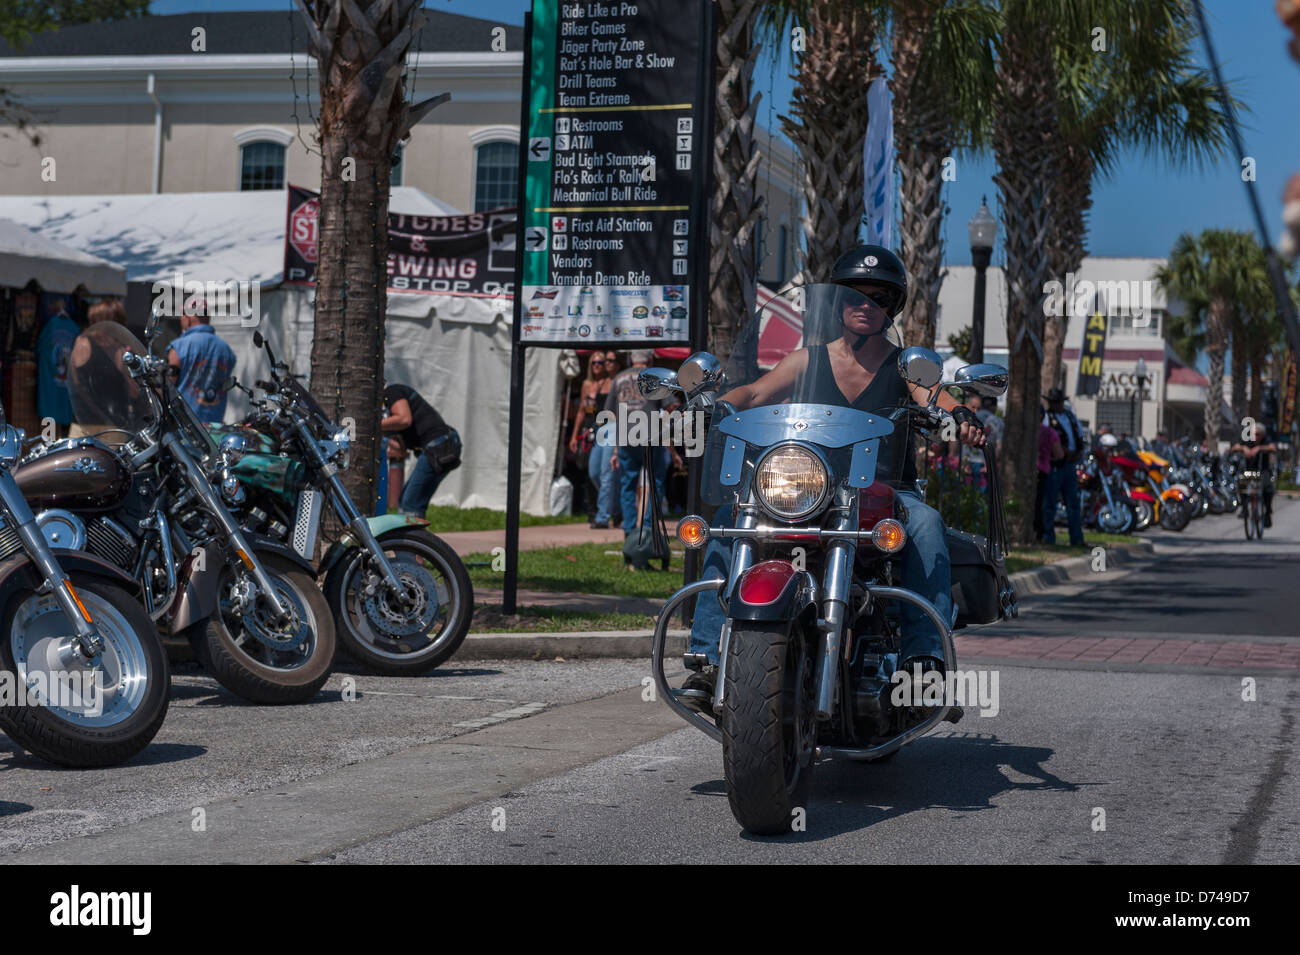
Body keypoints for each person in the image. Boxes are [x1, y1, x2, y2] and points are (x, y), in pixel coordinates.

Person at [683, 245, 986, 700]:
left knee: (926, 522)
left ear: (892, 308)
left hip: (884, 492)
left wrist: (959, 413)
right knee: (732, 519)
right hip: (806, 490)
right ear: (838, 305)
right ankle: (706, 659)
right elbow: (756, 392)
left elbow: (933, 396)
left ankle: (923, 662)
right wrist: (721, 404)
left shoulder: (903, 366)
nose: (866, 306)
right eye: (855, 297)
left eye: (879, 298)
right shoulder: (808, 359)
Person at [604, 349, 669, 537]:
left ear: (631, 358)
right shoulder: (655, 377)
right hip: (650, 437)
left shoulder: (618, 378)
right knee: (655, 483)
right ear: (649, 359)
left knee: (628, 485)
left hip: (626, 437)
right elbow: (670, 405)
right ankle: (648, 527)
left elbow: (611, 413)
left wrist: (616, 448)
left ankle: (630, 530)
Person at [382, 382, 460, 519]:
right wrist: (384, 439)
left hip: (438, 445)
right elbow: (402, 450)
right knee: (406, 502)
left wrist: (374, 425)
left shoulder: (391, 392)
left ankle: (413, 539)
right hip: (439, 446)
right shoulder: (387, 415)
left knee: (410, 505)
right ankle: (412, 538)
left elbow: (404, 419)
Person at [167, 302, 237, 424]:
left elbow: (167, 384)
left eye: (182, 315)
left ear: (188, 318)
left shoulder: (179, 346)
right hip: (214, 425)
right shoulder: (226, 349)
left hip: (184, 424)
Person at [570, 351, 618, 528]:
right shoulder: (590, 385)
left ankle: (603, 516)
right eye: (595, 363)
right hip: (596, 429)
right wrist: (575, 435)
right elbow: (584, 411)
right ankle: (615, 508)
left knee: (606, 474)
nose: (599, 365)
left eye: (602, 362)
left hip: (612, 427)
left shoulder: (614, 382)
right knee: (594, 473)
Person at [1041, 387, 1085, 545]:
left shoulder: (1070, 416)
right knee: (1050, 502)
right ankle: (1048, 536)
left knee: (1073, 502)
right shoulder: (1047, 417)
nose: (1057, 405)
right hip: (1055, 464)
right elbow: (1048, 438)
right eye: (1054, 402)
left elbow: (1080, 435)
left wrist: (1079, 452)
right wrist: (1063, 452)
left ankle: (1077, 538)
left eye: (1058, 402)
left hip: (1070, 464)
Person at [1229, 421, 1277, 527]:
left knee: (1268, 489)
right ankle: (1244, 509)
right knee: (1241, 486)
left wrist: (1260, 448)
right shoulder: (1247, 440)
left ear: (1262, 435)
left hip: (1262, 470)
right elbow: (1234, 447)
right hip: (1249, 470)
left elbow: (1273, 448)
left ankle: (1267, 513)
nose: (1255, 436)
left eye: (1258, 434)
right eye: (1254, 433)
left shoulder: (1265, 440)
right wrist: (1243, 448)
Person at [1034, 415, 1065, 538]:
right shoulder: (1049, 432)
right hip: (1043, 471)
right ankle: (1042, 533)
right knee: (1044, 504)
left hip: (1027, 472)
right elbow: (1060, 454)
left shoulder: (1023, 430)